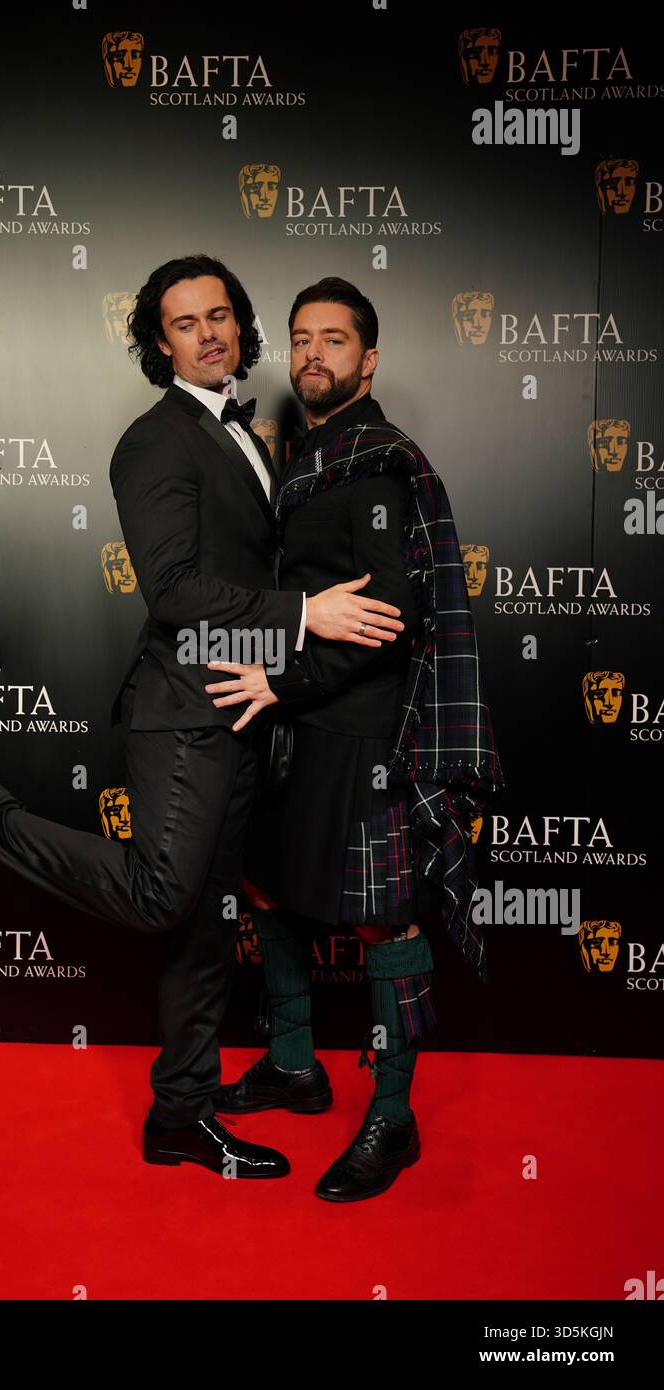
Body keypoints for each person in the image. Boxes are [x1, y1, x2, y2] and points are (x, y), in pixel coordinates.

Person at [0, 255, 406, 1183]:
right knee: (162, 895)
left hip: (245, 713)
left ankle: (180, 1115)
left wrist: (283, 675)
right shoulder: (157, 441)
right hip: (183, 714)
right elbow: (177, 591)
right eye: (186, 323)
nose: (211, 333)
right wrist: (308, 617)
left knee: (199, 926)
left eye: (221, 315)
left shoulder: (252, 436)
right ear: (159, 342)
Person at [202, 276, 504, 1201]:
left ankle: (395, 1116)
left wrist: (276, 679)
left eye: (334, 340)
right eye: (300, 339)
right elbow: (302, 605)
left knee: (385, 917)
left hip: (362, 730)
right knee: (263, 883)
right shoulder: (305, 458)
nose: (313, 355)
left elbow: (382, 623)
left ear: (369, 361)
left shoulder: (374, 463)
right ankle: (295, 1063)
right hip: (297, 727)